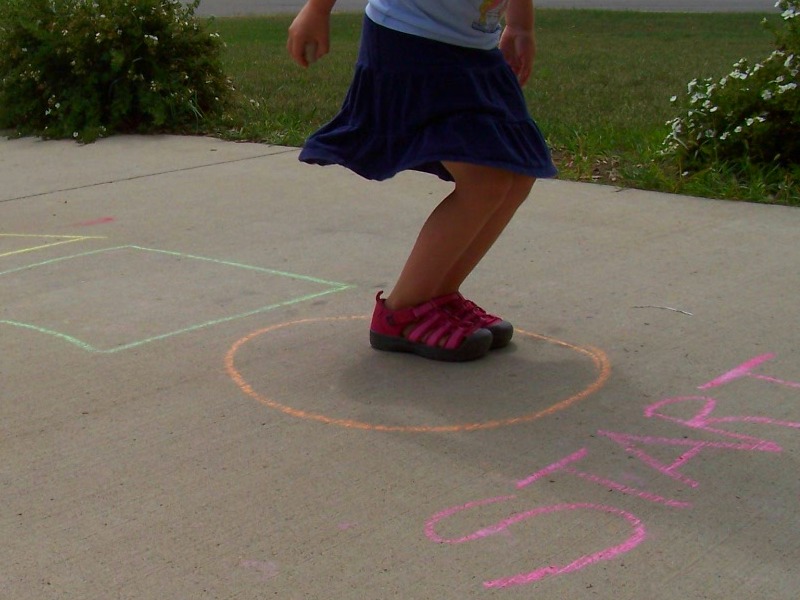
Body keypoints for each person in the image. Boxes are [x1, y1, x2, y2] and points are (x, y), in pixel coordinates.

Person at [287, 0, 557, 362]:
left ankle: (438, 295)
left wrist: (520, 25)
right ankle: (401, 311)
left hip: (476, 49)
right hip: (412, 39)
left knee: (517, 172)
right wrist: (318, 9)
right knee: (485, 181)